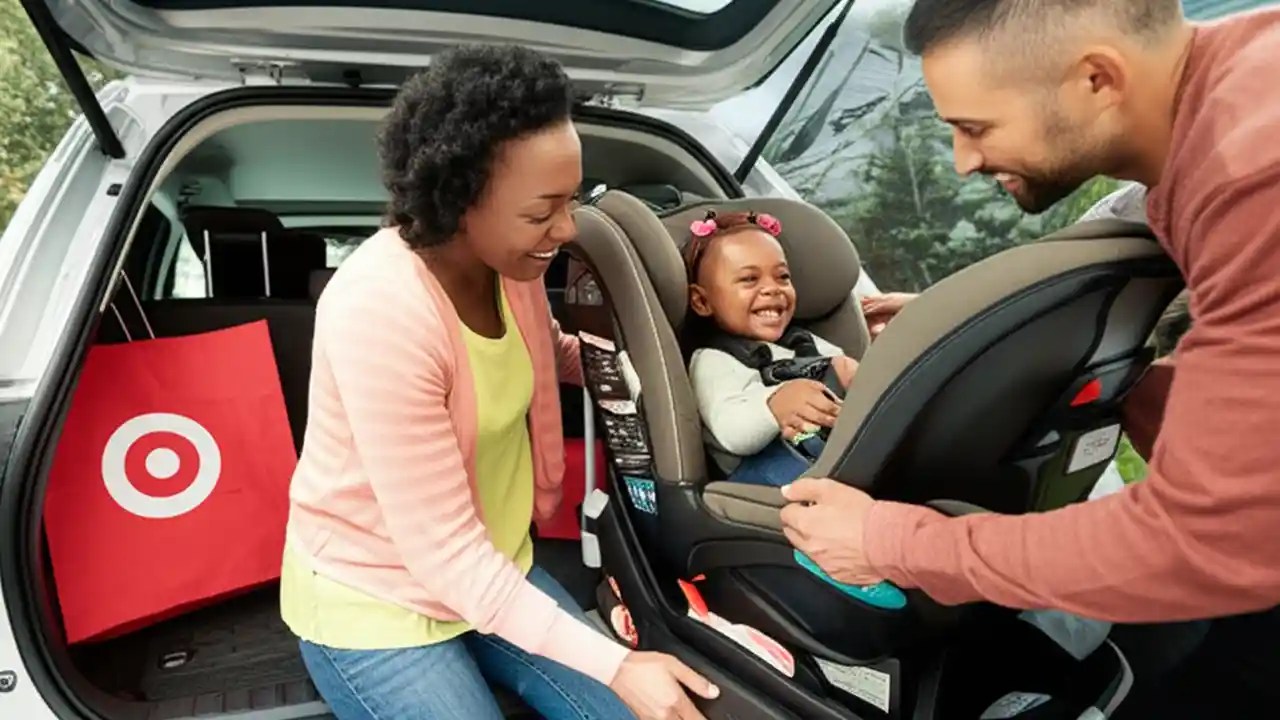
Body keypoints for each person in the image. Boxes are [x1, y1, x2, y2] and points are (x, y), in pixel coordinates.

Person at [778, 2, 1280, 717]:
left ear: (1097, 79)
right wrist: (959, 327)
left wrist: (895, 542)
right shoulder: (1236, 93)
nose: (963, 160)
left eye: (975, 128)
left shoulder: (1250, 175)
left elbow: (1198, 541)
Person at [278, 44, 718, 720]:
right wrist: (619, 663)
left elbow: (543, 354)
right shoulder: (381, 309)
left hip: (496, 568)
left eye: (571, 202)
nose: (566, 230)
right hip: (378, 600)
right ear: (459, 199)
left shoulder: (513, 268)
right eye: (543, 212)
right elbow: (447, 558)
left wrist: (657, 372)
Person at [681, 209, 857, 486]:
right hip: (769, 472)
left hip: (830, 451)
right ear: (702, 302)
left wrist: (851, 375)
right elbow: (731, 430)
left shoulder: (804, 342)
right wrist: (775, 403)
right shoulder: (715, 360)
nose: (772, 289)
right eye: (749, 279)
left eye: (782, 277)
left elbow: (842, 372)